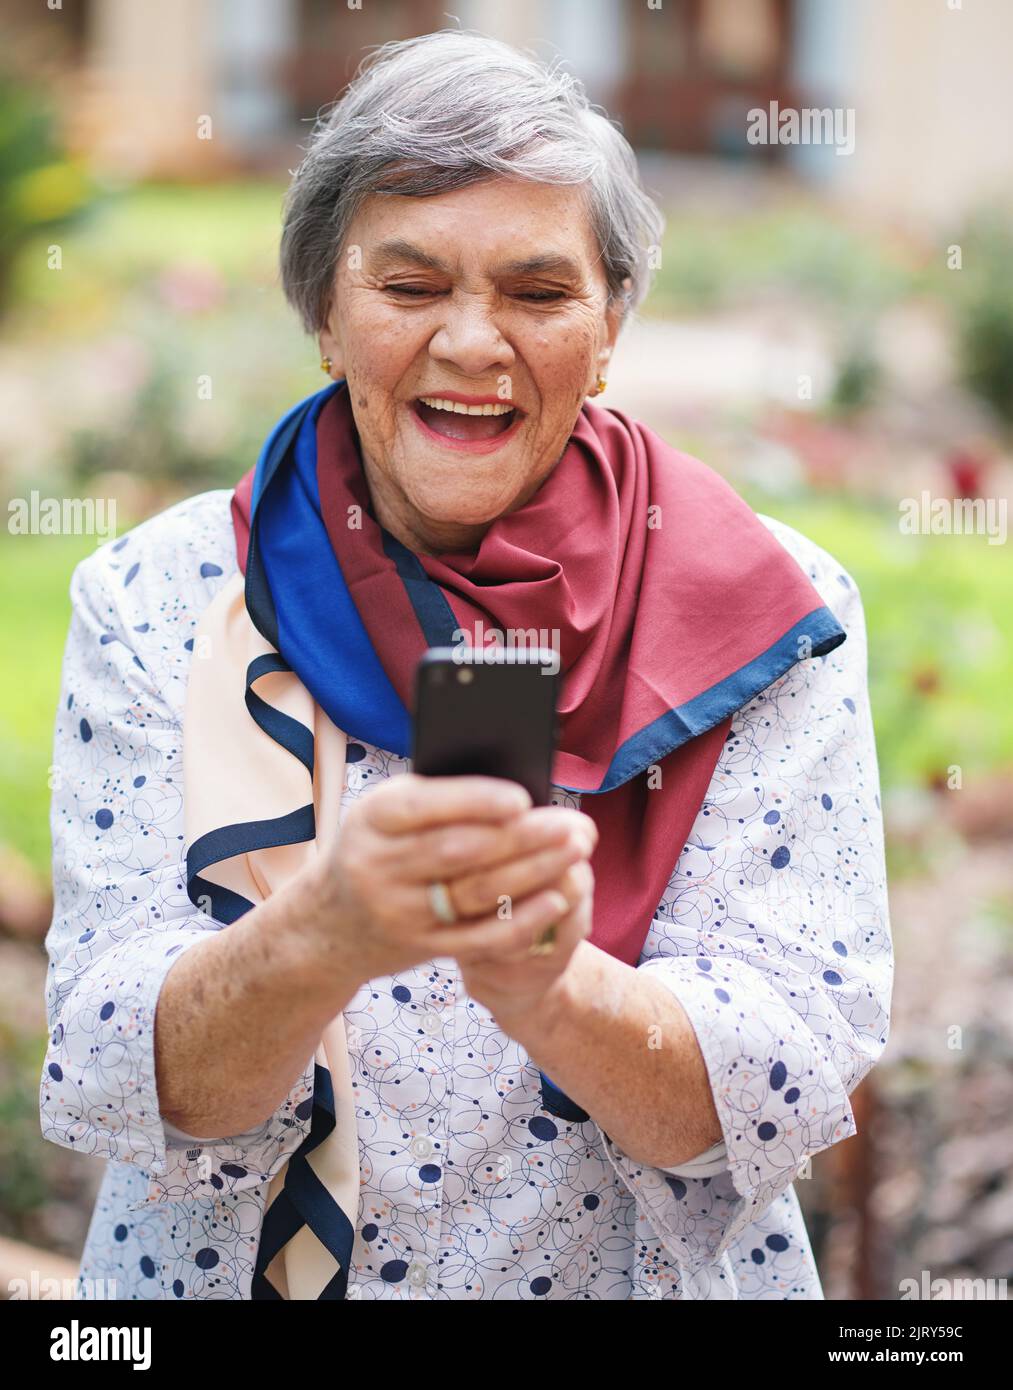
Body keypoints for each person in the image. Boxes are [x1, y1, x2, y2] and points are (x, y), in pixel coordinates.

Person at [40, 30, 892, 1300]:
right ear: (324, 312)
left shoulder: (771, 612)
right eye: (409, 284)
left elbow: (777, 1086)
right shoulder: (159, 598)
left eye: (540, 293)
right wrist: (324, 934)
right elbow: (116, 1069)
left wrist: (546, 981)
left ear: (609, 331)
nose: (472, 343)